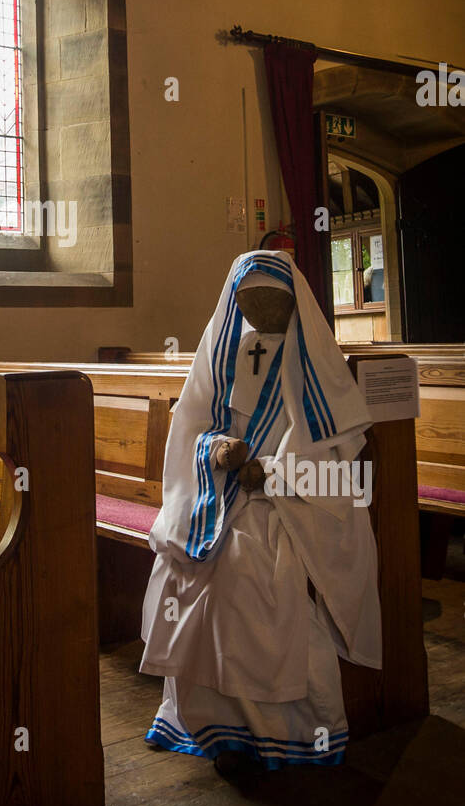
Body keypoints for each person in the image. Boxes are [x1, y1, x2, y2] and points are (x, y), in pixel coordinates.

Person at [140, 249, 381, 772]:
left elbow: (331, 455)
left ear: (294, 303)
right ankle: (202, 720)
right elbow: (191, 433)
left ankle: (276, 730)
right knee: (182, 571)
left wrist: (270, 473)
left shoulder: (315, 363)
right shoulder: (224, 353)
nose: (260, 309)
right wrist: (219, 451)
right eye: (249, 299)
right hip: (218, 495)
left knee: (244, 578)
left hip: (287, 504)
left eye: (272, 299)